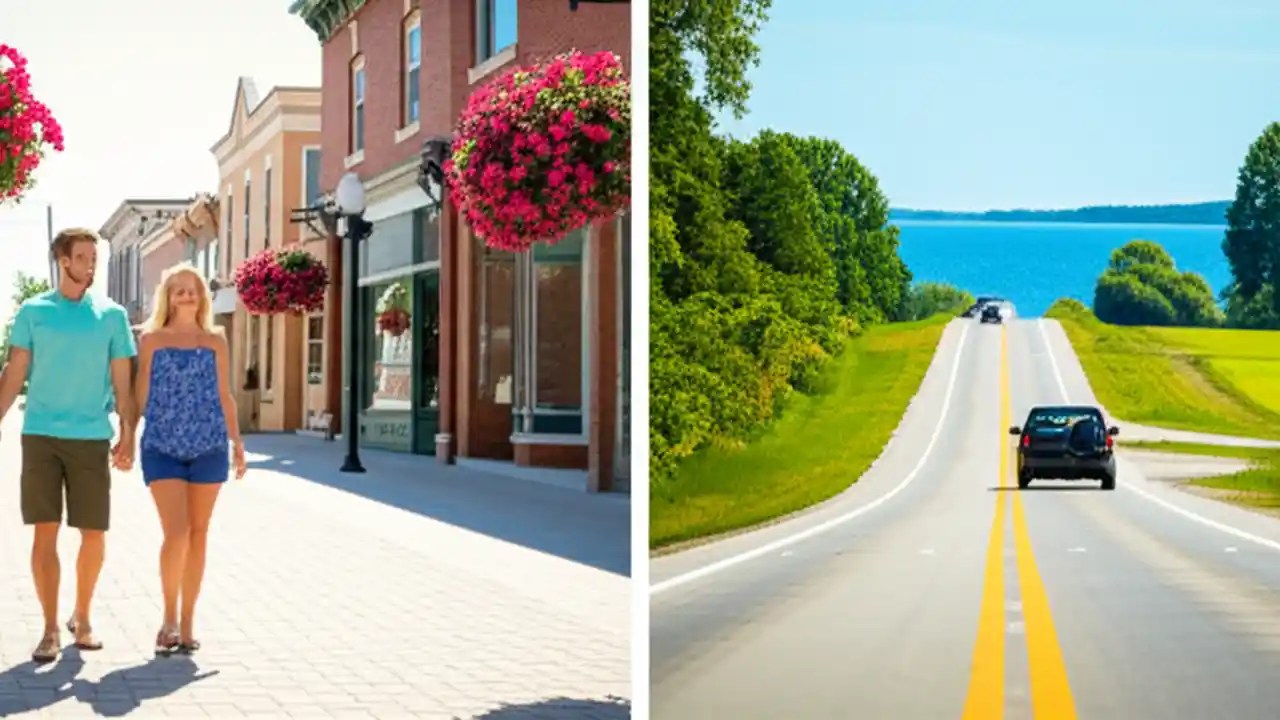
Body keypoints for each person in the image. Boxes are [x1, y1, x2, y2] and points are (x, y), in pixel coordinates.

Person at [0, 227, 138, 664]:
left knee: (93, 533)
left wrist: (129, 431)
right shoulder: (34, 312)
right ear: (63, 261)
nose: (91, 265)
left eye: (94, 257)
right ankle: (49, 628)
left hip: (91, 437)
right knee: (45, 531)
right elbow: (15, 371)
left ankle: (83, 616)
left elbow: (122, 379)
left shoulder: (111, 316)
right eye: (82, 258)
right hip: (40, 434)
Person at [133, 263, 245, 655]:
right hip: (162, 447)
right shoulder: (151, 339)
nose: (185, 295)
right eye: (178, 290)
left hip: (209, 447)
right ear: (168, 296)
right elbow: (140, 393)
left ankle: (188, 622)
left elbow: (225, 395)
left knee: (199, 534)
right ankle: (167, 617)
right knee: (176, 533)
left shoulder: (216, 340)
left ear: (202, 297)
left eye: (192, 289)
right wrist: (128, 438)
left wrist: (237, 443)